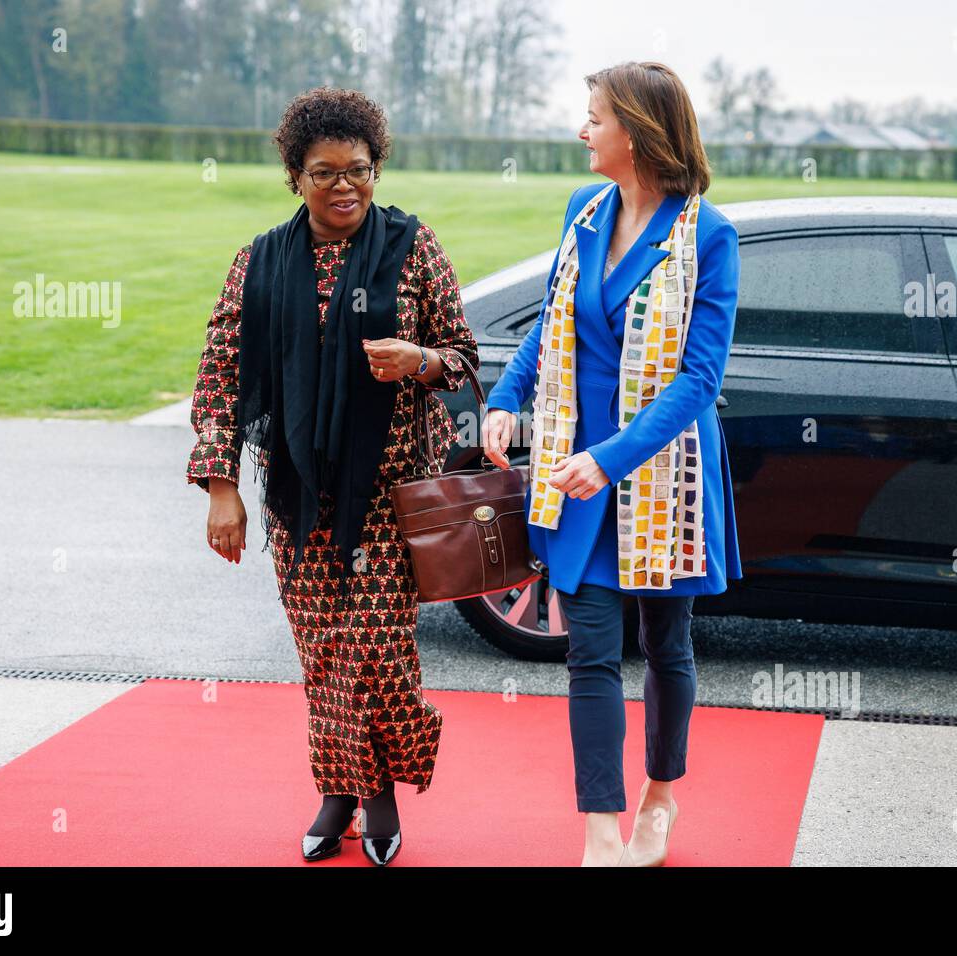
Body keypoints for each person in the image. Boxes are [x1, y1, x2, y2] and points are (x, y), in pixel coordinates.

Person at [186, 87, 478, 867]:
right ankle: (339, 791)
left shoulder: (413, 248)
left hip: (390, 499)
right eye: (325, 172)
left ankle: (372, 794)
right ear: (295, 175)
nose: (344, 185)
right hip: (297, 497)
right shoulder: (260, 261)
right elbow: (220, 372)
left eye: (360, 169)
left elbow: (464, 360)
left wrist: (421, 361)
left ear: (377, 168)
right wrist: (223, 489)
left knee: (378, 650)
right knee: (322, 651)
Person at [482, 61, 743, 866]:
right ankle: (601, 832)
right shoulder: (583, 209)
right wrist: (507, 392)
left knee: (667, 649)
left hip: (664, 477)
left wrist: (613, 458)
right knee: (590, 651)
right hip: (575, 470)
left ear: (636, 128)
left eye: (593, 116)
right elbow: (553, 316)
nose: (582, 129)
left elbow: (700, 380)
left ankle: (659, 799)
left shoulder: (710, 236)